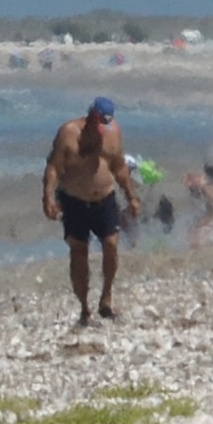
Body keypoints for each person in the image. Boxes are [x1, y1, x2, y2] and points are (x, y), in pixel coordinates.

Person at [41, 98, 141, 327]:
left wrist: (131, 196)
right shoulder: (69, 134)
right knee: (79, 252)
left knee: (111, 244)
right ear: (91, 118)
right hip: (73, 200)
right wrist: (48, 196)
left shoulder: (113, 134)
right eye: (99, 126)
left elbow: (119, 167)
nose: (102, 133)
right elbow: (54, 166)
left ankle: (106, 298)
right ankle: (84, 308)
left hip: (104, 199)